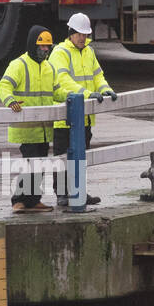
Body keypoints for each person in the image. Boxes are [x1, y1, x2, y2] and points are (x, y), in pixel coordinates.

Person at [0, 26, 68, 213]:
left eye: (48, 46)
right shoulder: (18, 65)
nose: (45, 50)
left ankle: (33, 200)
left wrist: (73, 96)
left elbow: (57, 91)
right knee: (30, 165)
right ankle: (18, 201)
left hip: (44, 129)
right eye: (42, 46)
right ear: (32, 45)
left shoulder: (48, 67)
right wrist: (10, 100)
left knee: (40, 165)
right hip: (26, 128)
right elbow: (4, 86)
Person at [51, 12, 117, 207]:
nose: (83, 38)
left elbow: (98, 75)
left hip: (86, 117)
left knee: (81, 156)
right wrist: (86, 94)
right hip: (65, 117)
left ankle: (79, 191)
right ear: (70, 33)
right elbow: (63, 80)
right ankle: (62, 194)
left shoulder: (89, 51)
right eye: (79, 34)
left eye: (85, 34)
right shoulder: (60, 52)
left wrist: (106, 89)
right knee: (63, 157)